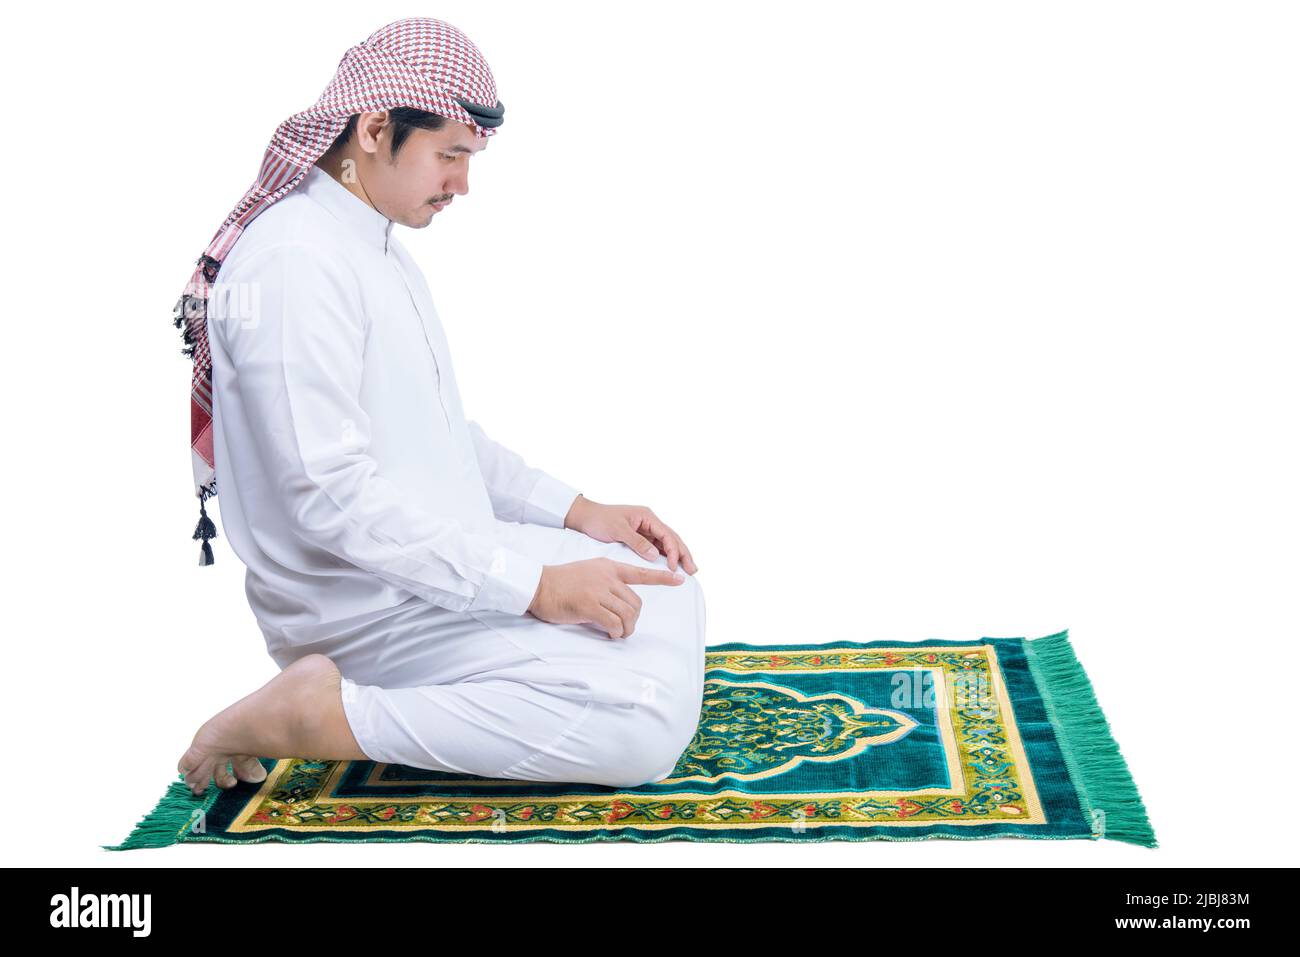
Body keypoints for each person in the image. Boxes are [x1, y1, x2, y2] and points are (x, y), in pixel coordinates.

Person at [172, 18, 706, 796]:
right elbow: (326, 495)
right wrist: (533, 587)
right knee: (641, 727)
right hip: (363, 605)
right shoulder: (295, 263)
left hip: (435, 560)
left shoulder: (366, 245)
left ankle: (421, 687)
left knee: (665, 583)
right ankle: (321, 713)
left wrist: (580, 510)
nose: (462, 185)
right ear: (375, 127)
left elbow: (443, 439)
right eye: (449, 155)